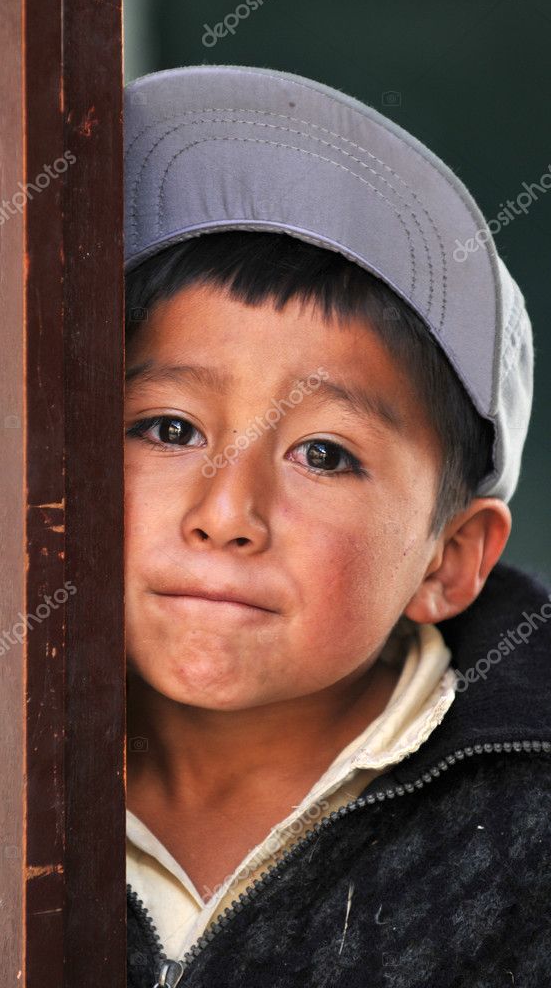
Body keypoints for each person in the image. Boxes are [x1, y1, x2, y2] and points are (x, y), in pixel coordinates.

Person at [123, 65, 551, 988]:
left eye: (324, 455)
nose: (226, 515)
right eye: (169, 429)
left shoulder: (532, 841)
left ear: (450, 559)